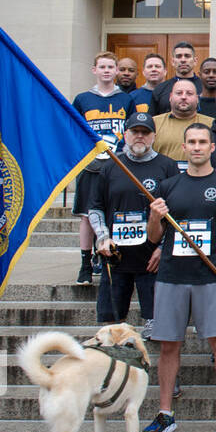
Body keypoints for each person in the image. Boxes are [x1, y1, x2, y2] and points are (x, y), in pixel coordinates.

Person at [141, 123, 216, 432]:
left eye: (203, 141)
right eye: (191, 142)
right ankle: (165, 414)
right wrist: (154, 216)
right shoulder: (168, 186)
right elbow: (154, 238)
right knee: (168, 346)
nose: (197, 147)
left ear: (212, 147)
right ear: (184, 146)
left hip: (211, 278)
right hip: (172, 277)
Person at [89, 112, 179, 337]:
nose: (140, 137)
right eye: (135, 132)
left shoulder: (167, 166)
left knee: (155, 329)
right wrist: (102, 237)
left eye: (145, 133)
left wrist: (162, 248)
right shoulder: (110, 166)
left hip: (151, 258)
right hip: (116, 255)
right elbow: (95, 208)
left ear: (153, 136)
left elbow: (176, 213)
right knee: (111, 325)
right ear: (125, 134)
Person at [71, 52, 134, 287]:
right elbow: (73, 131)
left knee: (112, 212)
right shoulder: (82, 99)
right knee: (87, 215)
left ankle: (105, 255)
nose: (107, 70)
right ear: (94, 70)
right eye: (102, 66)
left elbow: (130, 131)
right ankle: (85, 263)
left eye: (111, 67)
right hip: (90, 166)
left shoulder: (125, 100)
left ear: (117, 71)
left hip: (116, 165)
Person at [152, 78, 213, 165]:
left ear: (197, 98)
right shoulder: (154, 123)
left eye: (189, 93)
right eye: (179, 93)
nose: (184, 97)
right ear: (170, 97)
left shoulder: (211, 124)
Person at [150, 41, 202, 115]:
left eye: (187, 56)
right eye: (179, 56)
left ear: (195, 61)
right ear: (173, 61)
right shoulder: (160, 89)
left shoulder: (204, 88)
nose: (183, 60)